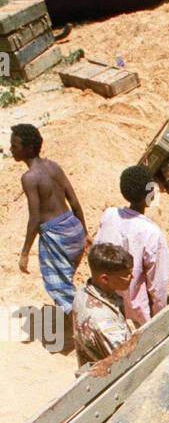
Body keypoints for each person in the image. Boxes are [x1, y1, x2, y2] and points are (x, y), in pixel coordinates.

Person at [12, 123, 88, 315]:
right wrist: (84, 233)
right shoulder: (53, 166)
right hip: (73, 228)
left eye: (15, 146)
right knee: (67, 281)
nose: (11, 149)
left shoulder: (29, 177)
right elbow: (74, 202)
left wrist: (25, 252)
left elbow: (35, 217)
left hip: (56, 237)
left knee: (59, 289)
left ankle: (87, 325)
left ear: (28, 148)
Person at [96, 165, 169, 327]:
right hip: (135, 313)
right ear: (148, 195)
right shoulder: (151, 233)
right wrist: (160, 321)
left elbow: (97, 252)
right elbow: (158, 285)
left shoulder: (109, 215)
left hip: (106, 302)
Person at [72, 242, 134, 367]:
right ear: (105, 279)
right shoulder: (103, 321)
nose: (132, 277)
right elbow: (127, 361)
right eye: (126, 275)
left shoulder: (83, 292)